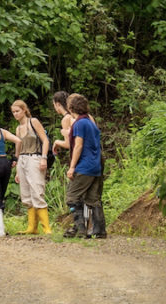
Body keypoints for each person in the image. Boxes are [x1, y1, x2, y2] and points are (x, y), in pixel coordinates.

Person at [64, 94, 106, 238]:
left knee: (72, 197)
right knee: (93, 199)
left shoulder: (80, 123)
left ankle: (80, 229)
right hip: (96, 165)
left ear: (71, 108)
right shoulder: (90, 122)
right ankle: (99, 230)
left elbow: (78, 146)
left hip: (85, 166)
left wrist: (72, 167)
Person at [11, 100, 52, 234]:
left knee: (37, 189)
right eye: (13, 112)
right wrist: (17, 170)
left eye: (17, 111)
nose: (15, 114)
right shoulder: (18, 128)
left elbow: (45, 139)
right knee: (26, 192)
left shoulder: (33, 122)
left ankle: (46, 228)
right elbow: (19, 150)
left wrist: (44, 157)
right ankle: (32, 227)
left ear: (24, 110)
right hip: (22, 158)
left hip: (35, 156)